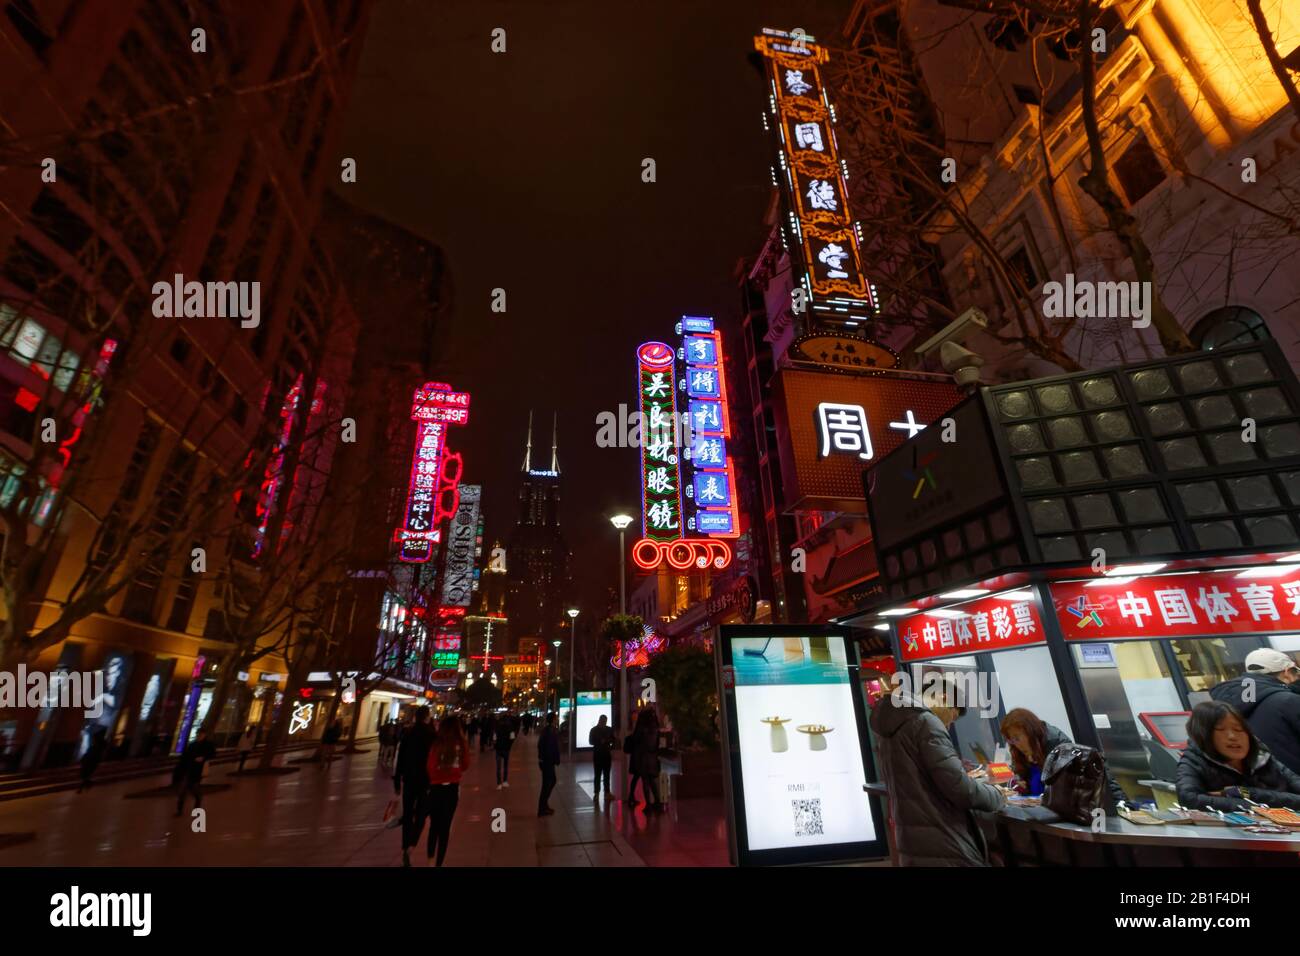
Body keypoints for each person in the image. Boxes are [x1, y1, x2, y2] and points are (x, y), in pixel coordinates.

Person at [869, 675, 1006, 865]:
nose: (949, 726)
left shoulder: (893, 727)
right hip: (944, 843)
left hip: (912, 845)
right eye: (953, 715)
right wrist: (998, 795)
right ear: (942, 697)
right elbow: (960, 789)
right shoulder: (925, 723)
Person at [1176, 700, 1300, 812]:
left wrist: (1245, 793)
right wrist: (1255, 807)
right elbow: (1189, 800)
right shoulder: (1194, 760)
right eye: (1220, 729)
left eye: (1238, 729)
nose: (1232, 737)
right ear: (1203, 735)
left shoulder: (1262, 757)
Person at [1000, 707, 1126, 808]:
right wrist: (1021, 785)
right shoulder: (1021, 751)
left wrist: (1120, 802)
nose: (1016, 745)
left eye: (1017, 738)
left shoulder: (1058, 744)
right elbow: (1024, 781)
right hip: (1040, 811)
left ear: (1029, 731)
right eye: (1012, 740)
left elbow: (1065, 790)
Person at [1210, 648, 1300, 775]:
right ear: (1286, 672)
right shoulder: (1289, 701)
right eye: (1296, 672)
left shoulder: (1225, 704)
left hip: (1257, 783)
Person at [425, 715, 471, 867]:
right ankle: (439, 863)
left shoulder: (436, 744)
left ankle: (430, 861)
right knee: (445, 828)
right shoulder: (461, 744)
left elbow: (430, 767)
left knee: (434, 826)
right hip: (452, 789)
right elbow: (465, 765)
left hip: (435, 789)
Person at [392, 708, 435, 867]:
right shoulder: (431, 735)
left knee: (408, 814)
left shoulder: (407, 733)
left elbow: (400, 757)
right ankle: (411, 845)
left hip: (409, 779)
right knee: (422, 815)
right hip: (425, 780)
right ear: (426, 717)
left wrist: (397, 781)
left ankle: (405, 846)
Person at [174, 727, 216, 817]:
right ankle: (179, 811)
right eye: (198, 734)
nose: (199, 736)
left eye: (201, 734)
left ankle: (196, 809)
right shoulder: (192, 745)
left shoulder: (208, 745)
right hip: (188, 771)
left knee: (195, 791)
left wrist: (203, 758)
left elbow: (212, 754)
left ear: (205, 735)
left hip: (197, 772)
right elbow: (184, 757)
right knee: (182, 792)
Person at [631, 709, 664, 813]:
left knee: (645, 781)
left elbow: (635, 740)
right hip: (652, 757)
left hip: (643, 756)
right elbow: (657, 743)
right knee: (652, 780)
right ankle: (658, 802)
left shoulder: (641, 728)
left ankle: (648, 805)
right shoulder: (655, 728)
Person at [538, 712, 561, 816]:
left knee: (550, 782)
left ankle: (544, 806)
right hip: (547, 761)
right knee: (547, 784)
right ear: (553, 719)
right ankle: (542, 808)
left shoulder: (549, 730)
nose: (557, 719)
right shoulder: (549, 731)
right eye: (556, 718)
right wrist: (545, 758)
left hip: (548, 761)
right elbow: (548, 747)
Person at [589, 714, 615, 796]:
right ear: (599, 720)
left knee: (606, 774)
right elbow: (591, 741)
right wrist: (600, 741)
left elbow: (613, 740)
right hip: (598, 755)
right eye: (603, 721)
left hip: (605, 755)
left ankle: (605, 792)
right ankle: (597, 792)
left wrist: (607, 741)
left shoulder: (609, 729)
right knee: (598, 774)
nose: (604, 723)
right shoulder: (594, 730)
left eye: (605, 721)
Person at [78, 728, 108, 793]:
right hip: (91, 761)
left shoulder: (96, 746)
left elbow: (90, 753)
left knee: (85, 774)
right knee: (86, 774)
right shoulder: (99, 746)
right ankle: (85, 786)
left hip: (90, 761)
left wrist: (83, 759)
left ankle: (82, 787)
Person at [494, 712, 515, 789]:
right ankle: (505, 781)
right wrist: (509, 745)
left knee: (498, 767)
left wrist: (495, 745)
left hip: (498, 748)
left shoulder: (497, 726)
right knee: (506, 765)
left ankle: (499, 783)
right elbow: (512, 738)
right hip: (506, 748)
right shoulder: (510, 726)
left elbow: (494, 737)